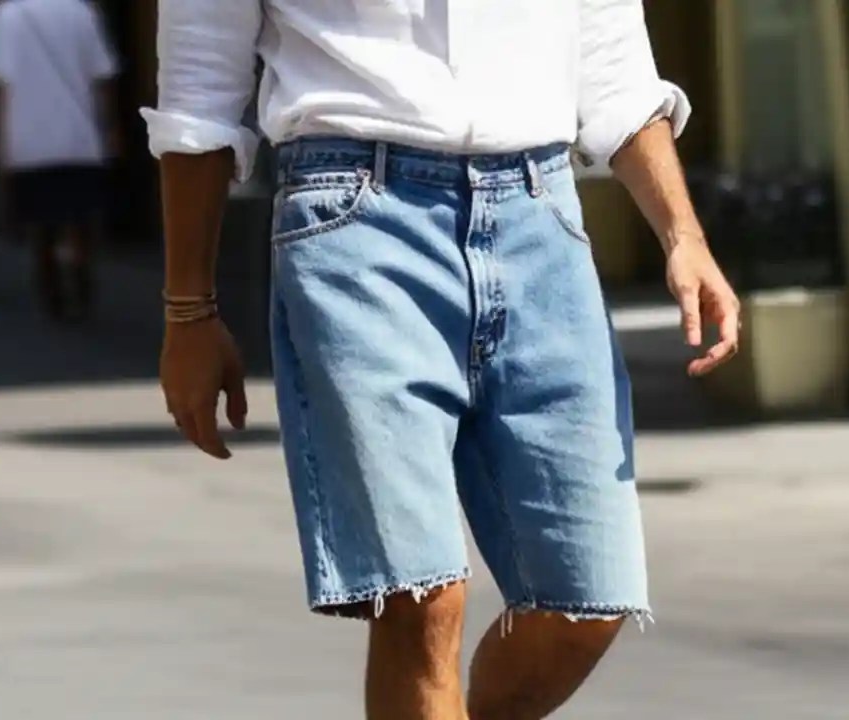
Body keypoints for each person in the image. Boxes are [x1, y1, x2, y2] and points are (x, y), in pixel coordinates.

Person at [145, 2, 740, 718]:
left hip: (540, 215)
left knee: (587, 598)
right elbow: (200, 90)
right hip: (356, 217)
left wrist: (683, 235)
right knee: (419, 598)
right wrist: (190, 311)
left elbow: (611, 58)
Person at [0, 0, 119, 322]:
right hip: (80, 136)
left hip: (29, 140)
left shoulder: (7, 16)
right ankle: (81, 278)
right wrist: (109, 128)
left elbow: (1, 85)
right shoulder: (82, 12)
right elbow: (102, 77)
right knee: (80, 218)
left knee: (41, 224)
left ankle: (51, 291)